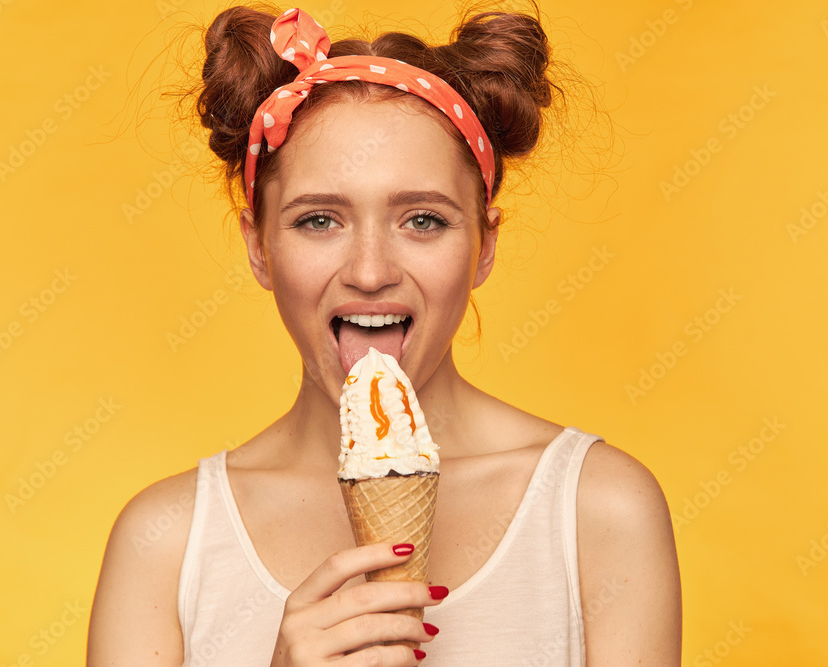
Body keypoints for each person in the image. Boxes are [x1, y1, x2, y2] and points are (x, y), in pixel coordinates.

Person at [87, 3, 681, 665]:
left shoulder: (598, 512)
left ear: (484, 244)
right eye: (319, 220)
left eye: (423, 219)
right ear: (259, 246)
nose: (370, 272)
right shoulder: (164, 547)